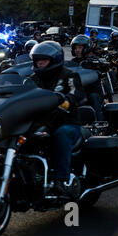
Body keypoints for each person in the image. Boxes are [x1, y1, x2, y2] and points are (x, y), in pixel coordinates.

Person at [29, 41, 86, 197]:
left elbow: (77, 94)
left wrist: (65, 100)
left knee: (61, 134)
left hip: (67, 122)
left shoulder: (69, 75)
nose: (39, 63)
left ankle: (61, 179)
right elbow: (20, 95)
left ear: (54, 60)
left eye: (43, 59)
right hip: (41, 123)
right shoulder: (32, 79)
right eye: (37, 60)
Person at [68, 35, 105, 121]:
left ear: (86, 48)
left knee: (94, 96)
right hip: (77, 90)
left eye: (80, 48)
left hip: (91, 90)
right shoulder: (71, 62)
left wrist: (100, 64)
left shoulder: (93, 60)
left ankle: (99, 122)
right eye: (75, 48)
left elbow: (103, 68)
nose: (77, 50)